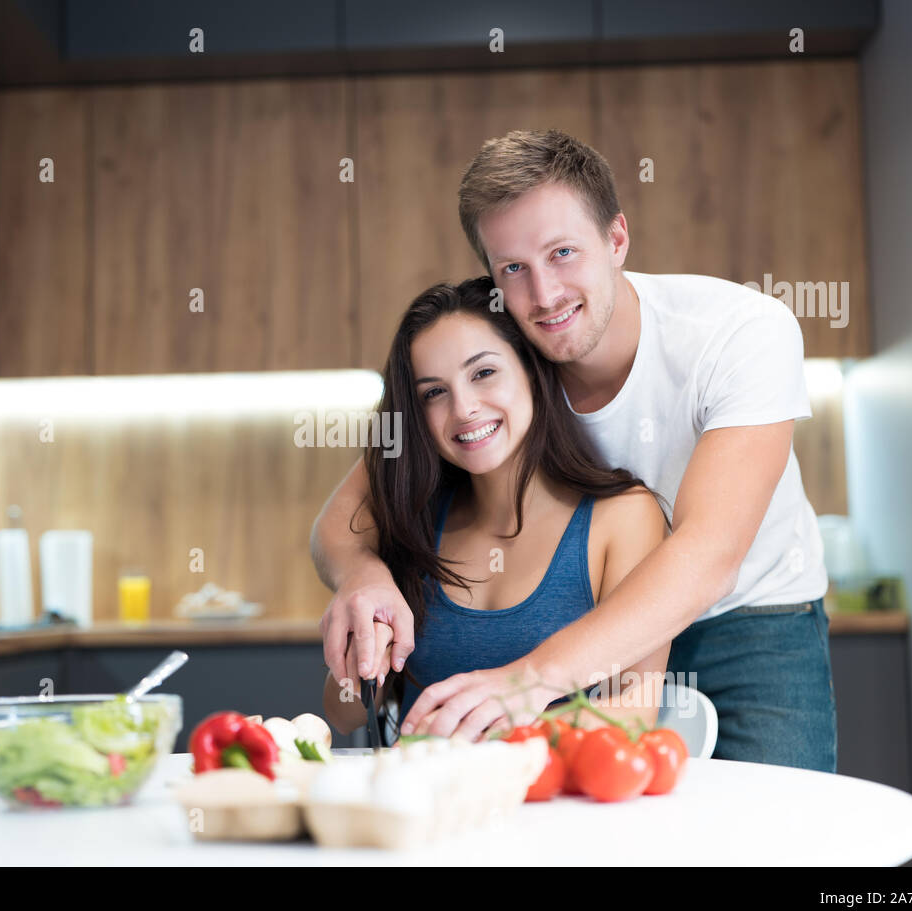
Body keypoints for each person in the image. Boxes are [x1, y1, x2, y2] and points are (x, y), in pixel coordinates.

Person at [313, 129, 837, 771]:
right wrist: (363, 576)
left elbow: (709, 556)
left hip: (747, 620)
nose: (545, 293)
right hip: (593, 613)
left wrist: (530, 680)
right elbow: (343, 518)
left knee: (778, 833)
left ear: (616, 239)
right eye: (513, 268)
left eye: (563, 252)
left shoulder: (740, 333)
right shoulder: (503, 352)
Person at [322, 275, 670, 742]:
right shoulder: (415, 520)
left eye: (484, 373)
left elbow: (631, 714)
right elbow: (343, 715)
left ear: (530, 369)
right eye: (434, 393)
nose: (463, 408)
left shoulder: (623, 517)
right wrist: (361, 660)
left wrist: (481, 737)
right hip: (432, 807)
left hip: (566, 806)